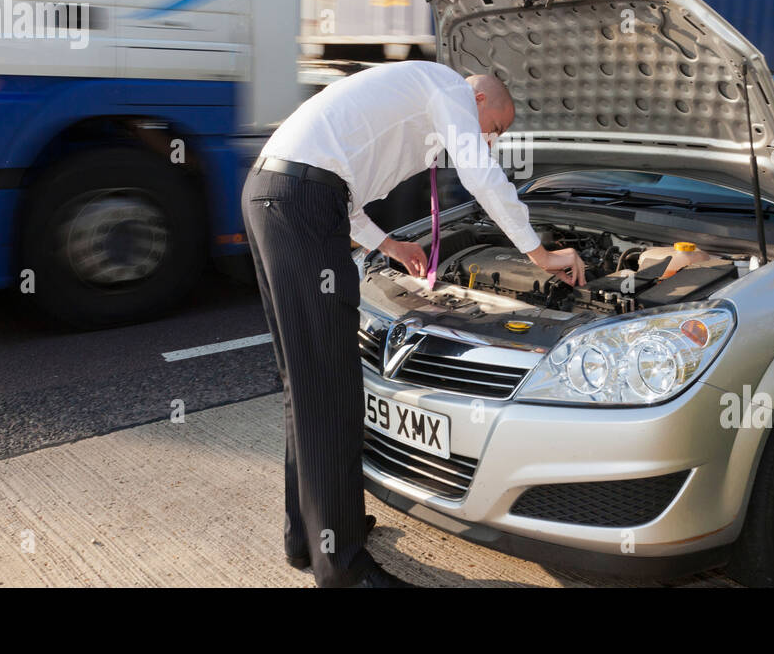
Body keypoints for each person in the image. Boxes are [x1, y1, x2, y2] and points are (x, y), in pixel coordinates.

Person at [241, 60, 586, 587]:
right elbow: (478, 171)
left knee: (303, 380)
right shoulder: (447, 86)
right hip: (301, 202)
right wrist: (538, 253)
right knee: (329, 385)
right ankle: (346, 570)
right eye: (496, 128)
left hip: (276, 193)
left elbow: (337, 183)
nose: (492, 141)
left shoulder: (412, 97)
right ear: (478, 101)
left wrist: (388, 243)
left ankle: (309, 538)